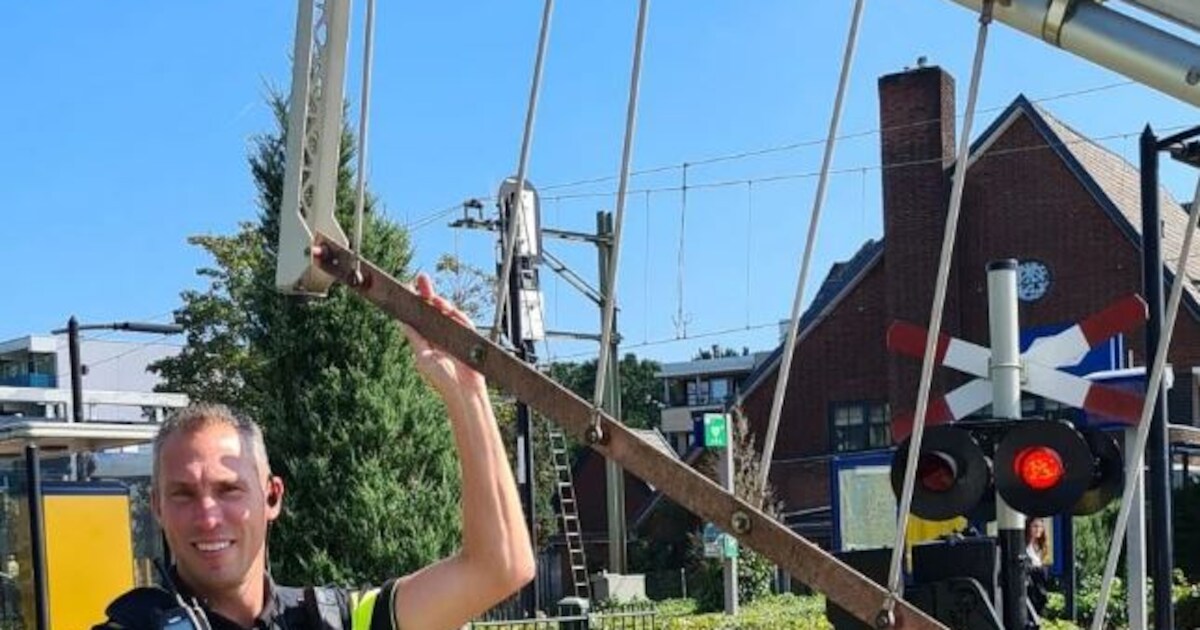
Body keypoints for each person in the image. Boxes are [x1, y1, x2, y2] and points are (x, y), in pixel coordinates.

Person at [95, 274, 534, 629]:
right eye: (183, 494)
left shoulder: (334, 619)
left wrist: (467, 393)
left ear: (272, 496)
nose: (208, 517)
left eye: (229, 490)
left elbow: (499, 568)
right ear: (156, 507)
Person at [1025, 517, 1050, 617]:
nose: (1038, 529)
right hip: (1030, 590)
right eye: (1035, 526)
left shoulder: (1041, 547)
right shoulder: (1024, 546)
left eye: (1040, 526)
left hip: (1040, 588)